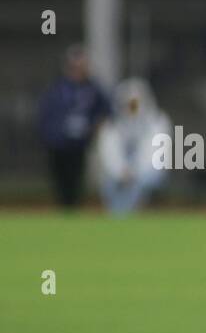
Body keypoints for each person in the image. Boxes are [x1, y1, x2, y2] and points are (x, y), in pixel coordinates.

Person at [37, 46, 111, 209]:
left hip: (79, 143)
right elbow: (46, 113)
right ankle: (64, 208)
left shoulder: (93, 88)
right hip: (57, 142)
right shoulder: (58, 88)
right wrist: (47, 135)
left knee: (76, 180)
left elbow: (106, 109)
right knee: (59, 179)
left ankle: (73, 209)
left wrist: (96, 128)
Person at [95, 78, 171, 215]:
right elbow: (109, 152)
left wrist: (135, 172)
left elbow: (155, 153)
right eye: (128, 104)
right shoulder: (113, 125)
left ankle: (132, 214)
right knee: (109, 184)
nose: (132, 108)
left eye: (135, 103)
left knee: (139, 185)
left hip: (146, 172)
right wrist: (121, 171)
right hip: (120, 175)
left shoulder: (157, 121)